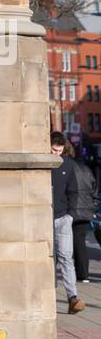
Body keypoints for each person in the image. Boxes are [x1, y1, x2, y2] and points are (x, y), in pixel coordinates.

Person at [51, 131, 85, 313]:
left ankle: (73, 298)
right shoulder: (44, 164)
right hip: (43, 217)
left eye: (59, 151)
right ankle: (47, 295)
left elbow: (73, 190)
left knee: (66, 257)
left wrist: (71, 214)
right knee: (48, 259)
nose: (56, 154)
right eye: (53, 151)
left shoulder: (68, 165)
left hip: (63, 218)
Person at [72, 151, 99, 282]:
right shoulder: (86, 169)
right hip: (84, 212)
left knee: (67, 243)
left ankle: (80, 273)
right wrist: (92, 208)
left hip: (70, 210)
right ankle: (83, 274)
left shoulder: (63, 168)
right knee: (80, 242)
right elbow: (95, 191)